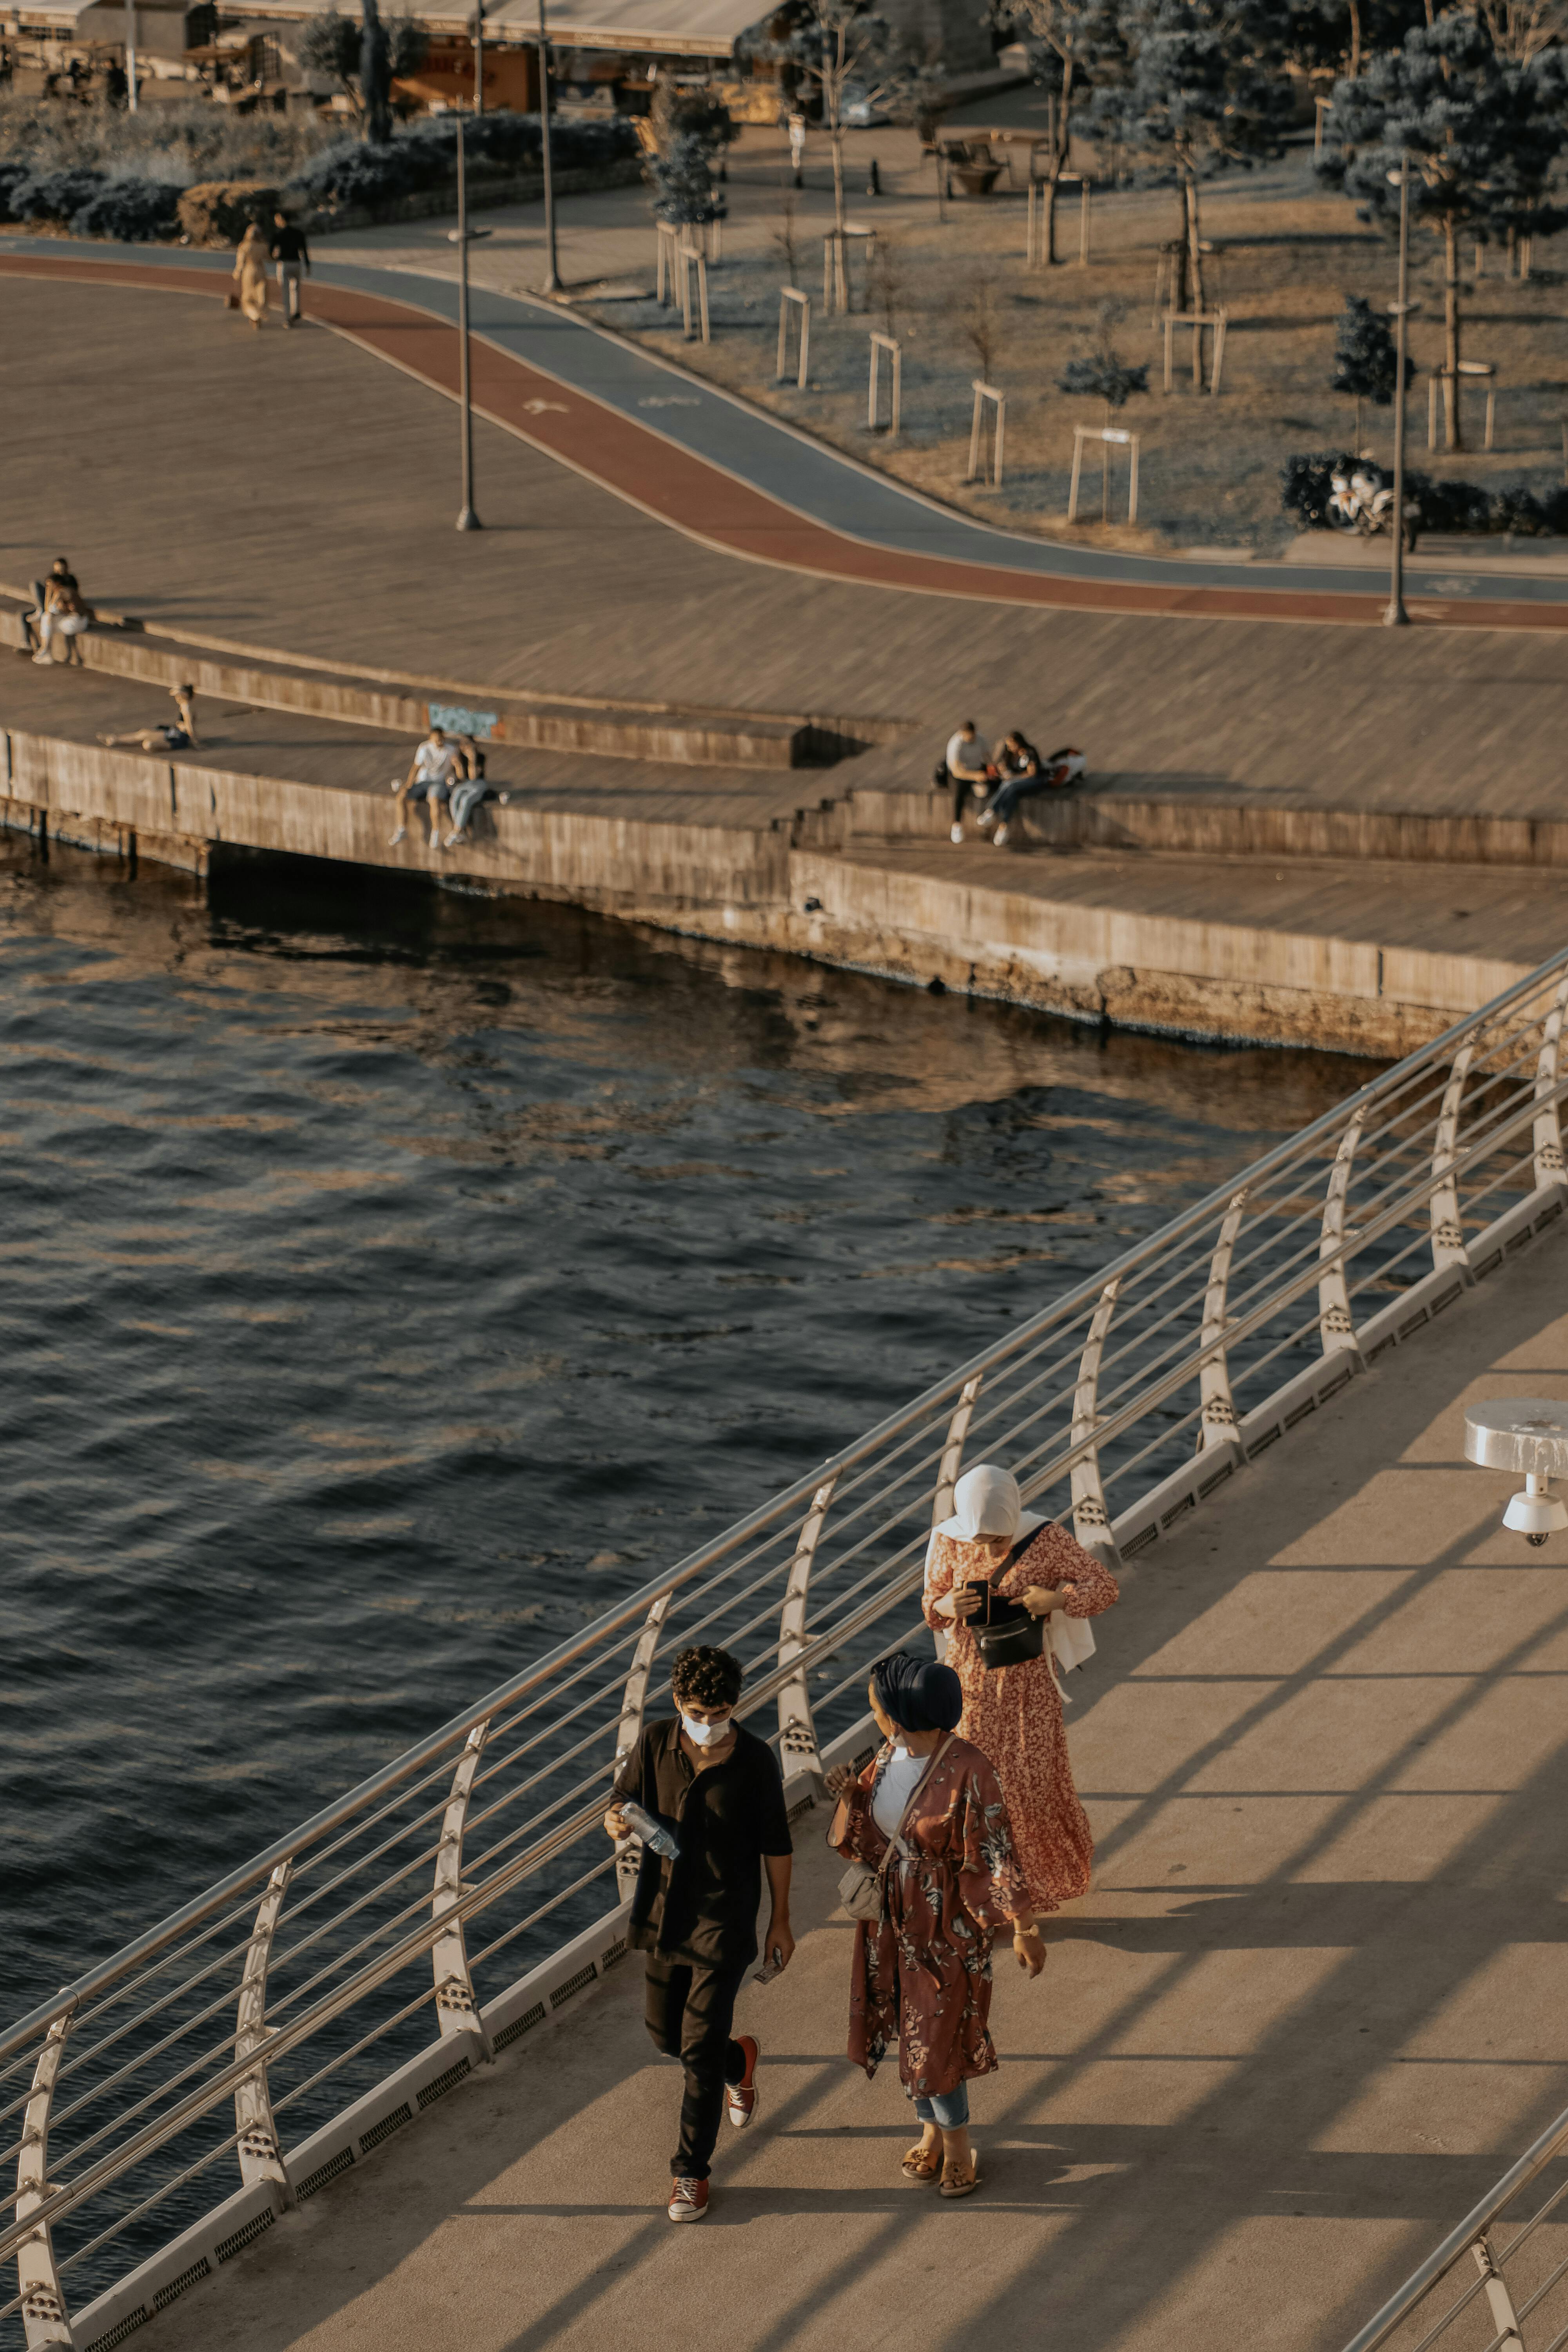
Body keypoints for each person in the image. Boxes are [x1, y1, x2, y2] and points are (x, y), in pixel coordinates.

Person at [826, 1651, 1044, 2200]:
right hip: (891, 1924)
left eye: (877, 1707)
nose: (874, 1716)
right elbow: (866, 1839)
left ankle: (957, 2145)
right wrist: (853, 1796)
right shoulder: (887, 1756)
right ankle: (929, 2129)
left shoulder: (971, 1768)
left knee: (937, 2037)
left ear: (899, 1714)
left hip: (946, 1926)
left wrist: (1024, 1927)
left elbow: (997, 1851)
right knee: (909, 2029)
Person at [606, 1643, 794, 2225]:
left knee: (695, 2051)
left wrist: (781, 1921)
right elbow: (622, 1800)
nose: (707, 1724)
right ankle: (739, 2063)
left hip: (726, 1920)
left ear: (735, 1705)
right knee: (666, 2036)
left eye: (719, 1713)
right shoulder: (656, 1740)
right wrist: (614, 1819)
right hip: (664, 1913)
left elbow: (777, 1845)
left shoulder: (758, 1760)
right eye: (696, 1711)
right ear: (676, 1702)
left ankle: (691, 2173)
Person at [924, 1462, 1118, 1918]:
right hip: (968, 1686)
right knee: (972, 1793)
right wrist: (945, 1604)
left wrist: (1058, 1600)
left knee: (1029, 1789)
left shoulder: (1045, 1537)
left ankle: (1026, 1892)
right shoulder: (947, 1538)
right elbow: (931, 1609)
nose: (989, 1547)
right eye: (982, 1539)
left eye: (997, 1538)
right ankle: (978, 1897)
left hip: (1028, 1686)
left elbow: (1104, 1587)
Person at [981, 738, 1088, 848]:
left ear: (1018, 743)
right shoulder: (1010, 755)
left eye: (1011, 745)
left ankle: (991, 811)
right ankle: (1003, 827)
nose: (1009, 748)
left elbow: (1032, 774)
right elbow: (1004, 769)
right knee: (1012, 793)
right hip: (1018, 786)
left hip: (1035, 783)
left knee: (1009, 785)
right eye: (1008, 746)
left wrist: (1013, 777)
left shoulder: (1030, 753)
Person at [389, 727, 468, 850]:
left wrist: (457, 764)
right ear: (431, 739)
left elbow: (460, 776)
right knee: (401, 796)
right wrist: (409, 785)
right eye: (437, 740)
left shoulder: (451, 750)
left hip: (439, 783)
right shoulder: (424, 748)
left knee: (433, 799)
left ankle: (435, 832)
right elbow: (416, 767)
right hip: (422, 781)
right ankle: (402, 829)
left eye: (441, 739)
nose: (439, 742)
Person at [443, 737, 512, 847]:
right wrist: (458, 765)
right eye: (463, 745)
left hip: (478, 784)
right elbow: (461, 778)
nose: (465, 747)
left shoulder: (480, 757)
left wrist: (472, 760)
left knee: (466, 800)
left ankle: (456, 831)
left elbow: (473, 777)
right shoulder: (460, 757)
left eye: (467, 744)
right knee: (455, 799)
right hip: (464, 784)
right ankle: (460, 831)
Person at [98, 683, 200, 753]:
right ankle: (114, 739)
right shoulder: (184, 706)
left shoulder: (187, 708)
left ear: (184, 695)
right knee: (143, 733)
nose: (177, 698)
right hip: (176, 733)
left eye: (178, 696)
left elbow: (190, 727)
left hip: (180, 738)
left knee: (148, 744)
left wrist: (195, 743)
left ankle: (115, 740)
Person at [29, 559, 92, 666]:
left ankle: (46, 650)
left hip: (75, 623)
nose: (48, 588)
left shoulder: (60, 592)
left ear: (57, 584)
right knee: (47, 620)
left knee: (46, 619)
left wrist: (49, 594)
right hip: (79, 621)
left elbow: (49, 610)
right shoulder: (65, 591)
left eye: (50, 586)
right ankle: (47, 651)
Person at [942, 720, 995, 844]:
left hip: (977, 768)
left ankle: (992, 812)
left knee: (997, 783)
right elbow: (957, 771)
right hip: (961, 773)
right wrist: (975, 777)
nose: (969, 738)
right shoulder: (955, 744)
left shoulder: (981, 740)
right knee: (958, 792)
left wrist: (992, 773)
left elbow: (988, 757)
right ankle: (957, 824)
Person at [268, 211, 310, 328]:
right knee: (296, 289)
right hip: (297, 263)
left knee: (286, 293)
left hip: (284, 264)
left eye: (277, 219)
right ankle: (296, 311)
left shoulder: (278, 234)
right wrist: (308, 265)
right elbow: (304, 250)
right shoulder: (299, 233)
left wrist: (274, 258)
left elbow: (271, 252)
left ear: (281, 219)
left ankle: (287, 319)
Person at [233, 221, 269, 329]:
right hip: (261, 271)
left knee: (248, 296)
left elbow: (241, 262)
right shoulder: (263, 246)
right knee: (261, 295)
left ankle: (254, 315)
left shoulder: (244, 246)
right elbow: (269, 258)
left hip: (249, 271)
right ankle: (260, 312)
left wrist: (237, 272)